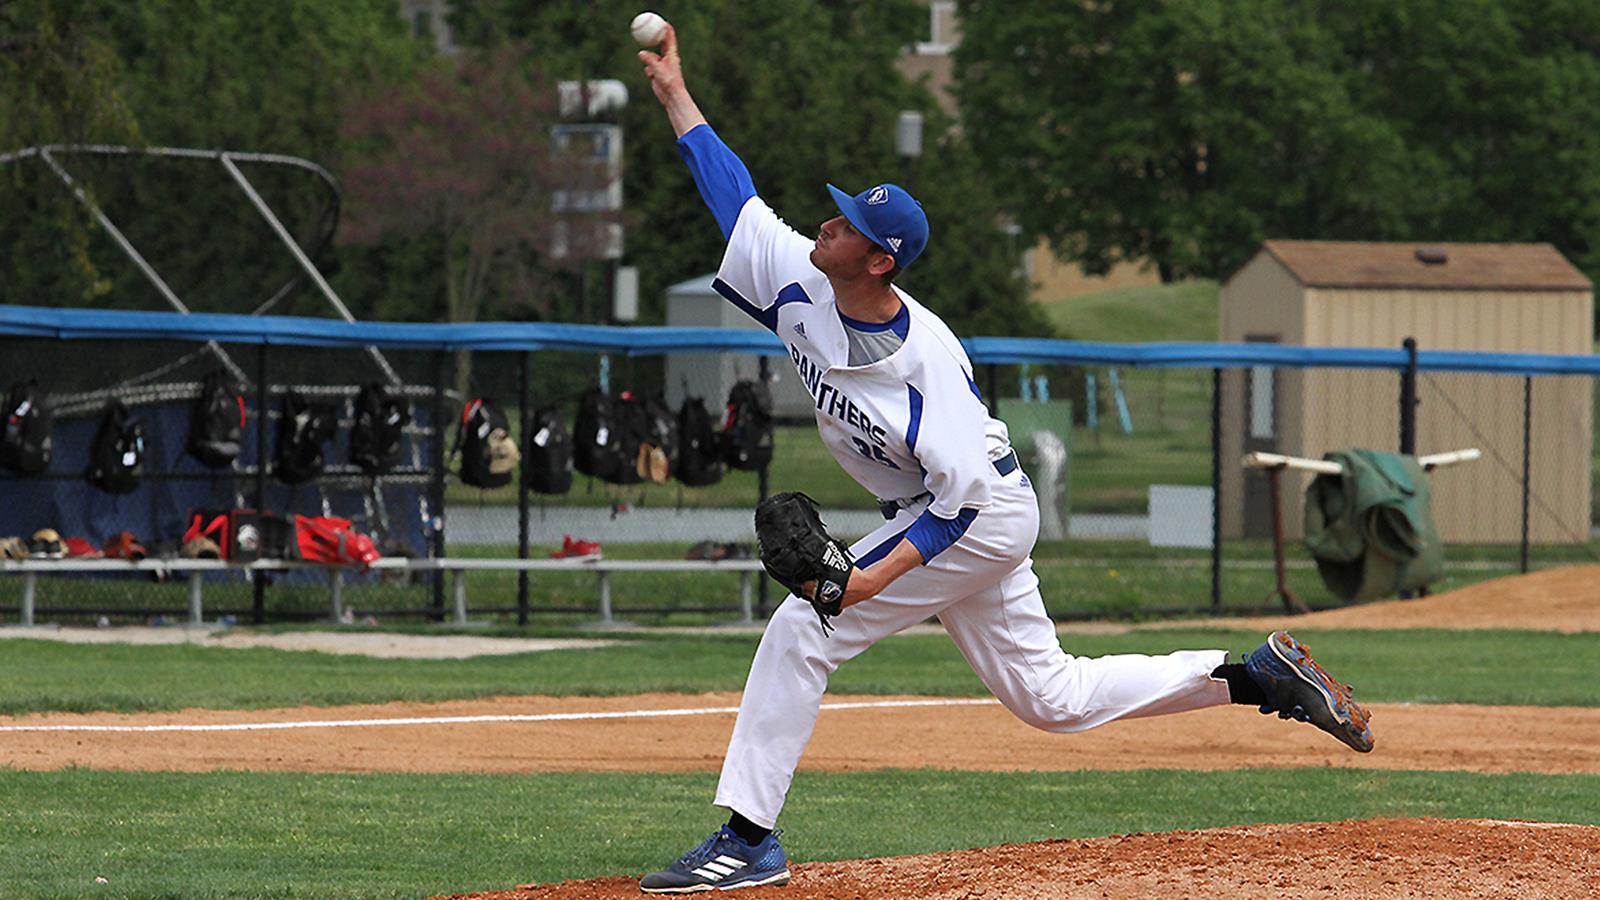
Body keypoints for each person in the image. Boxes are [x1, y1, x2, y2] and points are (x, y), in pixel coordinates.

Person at [634, 26, 1373, 894]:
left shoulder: (926, 367)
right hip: (950, 509)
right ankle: (1252, 677)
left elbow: (959, 507)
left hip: (976, 513)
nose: (825, 223)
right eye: (834, 213)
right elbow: (733, 198)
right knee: (1050, 699)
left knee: (806, 624)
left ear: (882, 260)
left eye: (848, 223)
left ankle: (748, 837)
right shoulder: (801, 277)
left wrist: (863, 582)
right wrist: (675, 93)